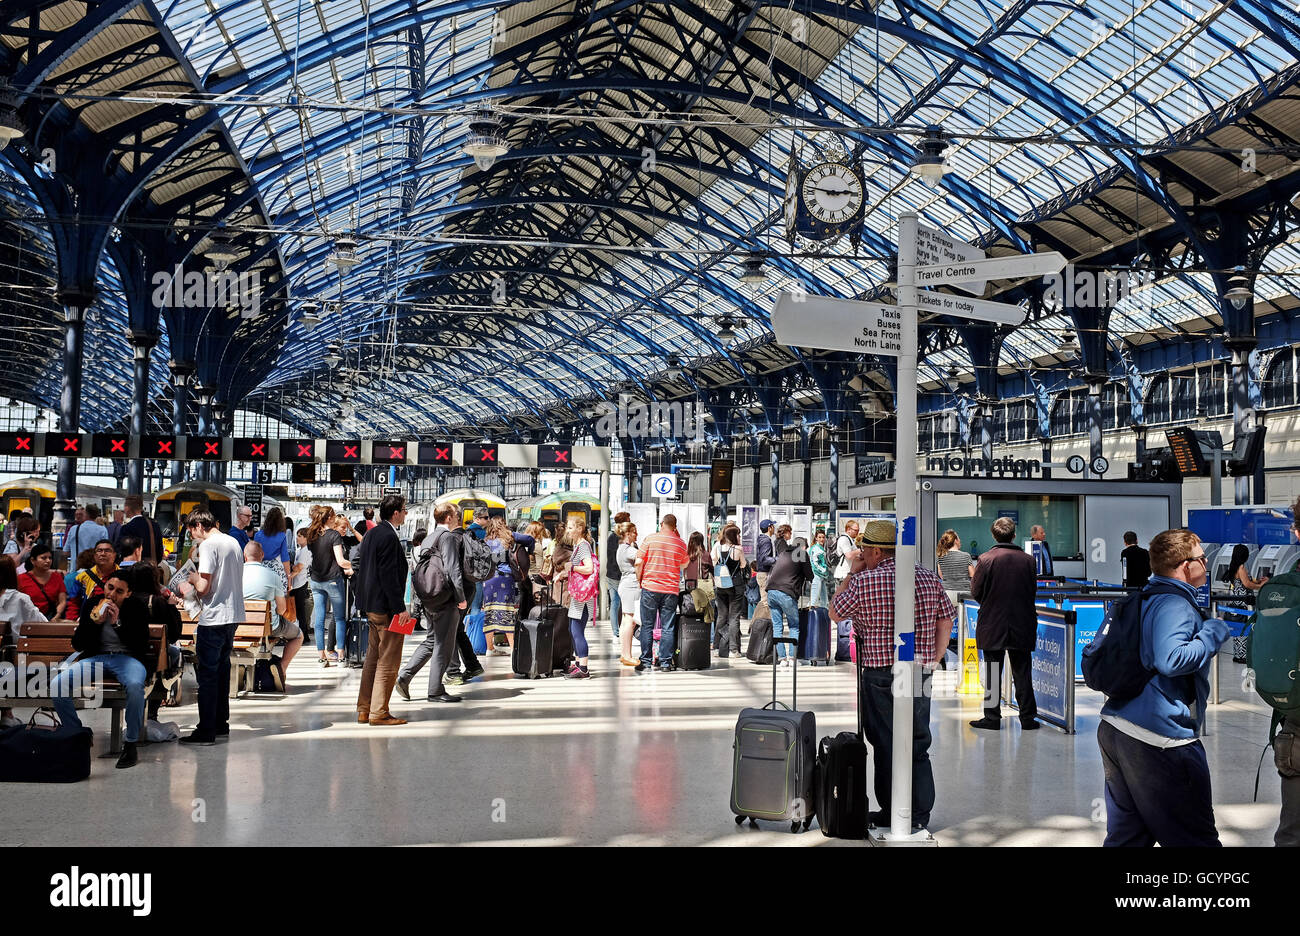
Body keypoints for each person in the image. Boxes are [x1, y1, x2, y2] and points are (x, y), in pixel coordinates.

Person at [1096, 529, 1229, 847]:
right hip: (1159, 741)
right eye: (1201, 558)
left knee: (1128, 838)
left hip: (1117, 727)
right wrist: (1213, 632)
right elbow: (1171, 659)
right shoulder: (1175, 604)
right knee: (1196, 840)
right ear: (1186, 565)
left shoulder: (1142, 598)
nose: (1206, 564)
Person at [829, 519, 953, 831]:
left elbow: (834, 612)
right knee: (918, 743)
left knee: (885, 743)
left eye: (863, 551)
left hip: (879, 673)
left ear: (873, 550)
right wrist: (934, 660)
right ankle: (919, 815)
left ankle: (892, 811)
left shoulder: (864, 581)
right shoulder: (926, 577)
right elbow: (946, 619)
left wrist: (850, 574)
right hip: (918, 670)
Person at [49, 569, 153, 769]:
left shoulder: (137, 607)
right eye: (110, 588)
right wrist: (94, 624)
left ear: (128, 594)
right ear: (104, 585)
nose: (112, 595)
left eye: (119, 592)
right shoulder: (91, 604)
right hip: (96, 658)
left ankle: (130, 743)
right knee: (58, 685)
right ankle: (76, 735)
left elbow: (140, 644)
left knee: (134, 686)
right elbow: (78, 644)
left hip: (127, 658)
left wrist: (117, 624)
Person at [176, 510, 245, 745]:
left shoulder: (208, 546)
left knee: (206, 675)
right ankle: (220, 724)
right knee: (222, 671)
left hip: (214, 616)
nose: (193, 537)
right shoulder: (233, 542)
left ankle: (205, 730)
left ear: (197, 526)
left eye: (191, 532)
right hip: (232, 615)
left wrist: (191, 581)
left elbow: (204, 587)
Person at [968, 518, 1039, 731]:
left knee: (991, 672)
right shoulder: (1028, 561)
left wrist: (990, 604)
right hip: (1022, 622)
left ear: (993, 535)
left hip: (992, 622)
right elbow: (1031, 590)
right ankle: (1027, 718)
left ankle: (992, 718)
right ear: (1014, 535)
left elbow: (976, 591)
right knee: (1023, 672)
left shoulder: (986, 559)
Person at [396, 503, 467, 704]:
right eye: (456, 514)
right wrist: (460, 597)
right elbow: (453, 570)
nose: (458, 517)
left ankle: (405, 676)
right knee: (444, 645)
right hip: (445, 597)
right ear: (448, 517)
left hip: (429, 596)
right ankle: (435, 690)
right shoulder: (448, 538)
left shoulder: (428, 538)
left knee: (431, 640)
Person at [354, 494, 412, 726]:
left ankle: (364, 708)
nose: (406, 513)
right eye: (404, 510)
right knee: (388, 660)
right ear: (395, 513)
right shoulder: (388, 536)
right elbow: (388, 576)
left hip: (370, 605)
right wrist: (400, 609)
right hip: (386, 608)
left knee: (372, 658)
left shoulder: (372, 534)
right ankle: (379, 712)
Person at [635, 513, 689, 674]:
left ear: (661, 524)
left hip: (650, 588)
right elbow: (684, 564)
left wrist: (640, 579)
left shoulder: (650, 539)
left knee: (647, 626)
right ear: (675, 527)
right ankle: (665, 663)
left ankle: (645, 662)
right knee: (667, 627)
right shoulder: (680, 544)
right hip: (670, 590)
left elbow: (638, 562)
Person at [242, 541, 303, 679]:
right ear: (262, 555)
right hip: (267, 627)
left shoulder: (234, 574)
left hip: (238, 626)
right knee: (298, 636)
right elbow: (282, 610)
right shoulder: (272, 575)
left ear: (244, 556)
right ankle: (281, 668)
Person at [0, 555, 46, 729]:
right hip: (14, 664)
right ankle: (6, 714)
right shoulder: (20, 599)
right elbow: (42, 625)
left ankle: (6, 713)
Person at [307, 506, 352, 665]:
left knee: (319, 619)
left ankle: (322, 655)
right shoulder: (334, 535)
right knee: (339, 618)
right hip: (333, 580)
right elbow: (341, 561)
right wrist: (353, 565)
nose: (334, 519)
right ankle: (340, 654)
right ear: (329, 518)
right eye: (333, 517)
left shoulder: (311, 535)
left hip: (316, 581)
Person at [481, 517, 531, 656]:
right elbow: (529, 540)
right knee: (507, 611)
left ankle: (490, 649)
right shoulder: (508, 539)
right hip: (505, 579)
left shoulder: (486, 542)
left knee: (489, 612)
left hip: (489, 580)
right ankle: (513, 647)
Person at [767, 529, 812, 666]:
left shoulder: (783, 553)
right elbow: (810, 576)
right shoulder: (802, 554)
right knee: (793, 625)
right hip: (786, 593)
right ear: (803, 547)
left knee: (777, 626)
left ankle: (782, 659)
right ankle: (792, 658)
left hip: (771, 591)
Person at [564, 515, 597, 678]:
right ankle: (578, 663)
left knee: (577, 630)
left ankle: (583, 668)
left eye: (570, 528)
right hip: (580, 595)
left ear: (579, 529)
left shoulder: (583, 546)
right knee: (573, 628)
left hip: (583, 596)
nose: (567, 531)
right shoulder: (579, 545)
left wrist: (573, 567)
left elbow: (589, 568)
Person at [711, 523, 748, 658]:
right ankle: (733, 650)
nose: (739, 536)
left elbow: (713, 560)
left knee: (721, 616)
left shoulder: (717, 546)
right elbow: (743, 564)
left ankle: (715, 647)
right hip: (735, 585)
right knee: (733, 618)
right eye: (738, 534)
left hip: (721, 585)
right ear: (734, 535)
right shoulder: (738, 549)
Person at [18, 543, 66, 619]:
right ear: (33, 560)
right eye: (43, 558)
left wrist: (57, 616)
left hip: (51, 619)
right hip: (28, 620)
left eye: (50, 558)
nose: (48, 561)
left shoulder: (57, 577)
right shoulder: (21, 579)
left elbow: (62, 601)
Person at [615, 521, 641, 666]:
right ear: (627, 534)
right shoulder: (628, 550)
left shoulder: (621, 549)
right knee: (630, 622)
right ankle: (627, 655)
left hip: (625, 585)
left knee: (626, 620)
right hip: (631, 585)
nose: (636, 534)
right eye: (634, 532)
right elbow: (641, 558)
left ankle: (625, 654)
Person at [1218, 543, 1268, 610]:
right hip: (1244, 602)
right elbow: (1247, 584)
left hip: (1237, 601)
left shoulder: (1234, 566)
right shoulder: (1241, 568)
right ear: (1245, 556)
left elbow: (1242, 581)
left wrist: (1259, 581)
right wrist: (1260, 586)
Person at [254, 507, 293, 584]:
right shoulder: (282, 536)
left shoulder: (257, 535)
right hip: (276, 572)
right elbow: (285, 559)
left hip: (261, 571)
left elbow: (254, 555)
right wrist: (289, 578)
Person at [606, 511, 630, 639]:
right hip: (619, 575)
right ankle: (622, 629)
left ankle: (615, 631)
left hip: (610, 573)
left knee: (614, 603)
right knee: (623, 603)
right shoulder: (621, 538)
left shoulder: (611, 536)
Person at [120, 495, 163, 563]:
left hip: (133, 570)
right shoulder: (154, 525)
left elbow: (123, 554)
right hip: (151, 568)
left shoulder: (126, 528)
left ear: (127, 508)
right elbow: (160, 553)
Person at [936, 530, 975, 598]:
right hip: (964, 592)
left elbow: (942, 576)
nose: (960, 541)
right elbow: (973, 575)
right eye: (958, 538)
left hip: (946, 593)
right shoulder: (966, 556)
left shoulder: (941, 557)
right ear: (955, 541)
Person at [290, 527, 312, 642]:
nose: (297, 538)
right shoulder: (300, 550)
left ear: (306, 538)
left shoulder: (305, 551)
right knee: (298, 611)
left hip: (300, 583)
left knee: (300, 611)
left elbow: (298, 567)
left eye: (300, 536)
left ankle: (304, 635)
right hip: (297, 582)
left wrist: (289, 575)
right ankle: (303, 634)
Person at [831, 520, 860, 587]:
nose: (857, 533)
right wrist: (860, 550)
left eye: (858, 530)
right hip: (843, 575)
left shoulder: (850, 539)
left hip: (847, 575)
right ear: (848, 529)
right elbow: (849, 555)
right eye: (855, 530)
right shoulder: (844, 539)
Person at [808, 530, 831, 608]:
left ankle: (823, 613)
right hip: (817, 575)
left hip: (820, 575)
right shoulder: (816, 548)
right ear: (816, 538)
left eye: (823, 537)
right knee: (814, 598)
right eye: (819, 537)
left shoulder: (818, 547)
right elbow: (814, 563)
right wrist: (823, 570)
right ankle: (809, 616)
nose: (822, 539)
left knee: (824, 598)